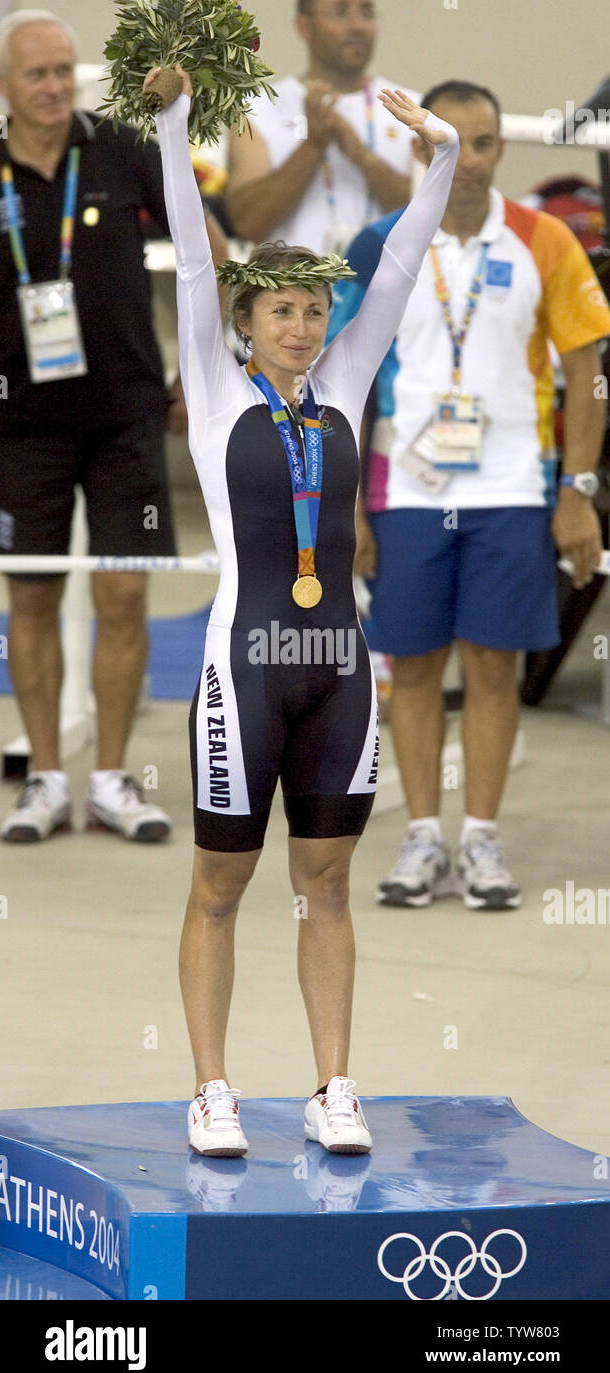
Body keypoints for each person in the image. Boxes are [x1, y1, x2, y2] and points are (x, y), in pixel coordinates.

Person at [144, 62, 458, 1155]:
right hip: (244, 668)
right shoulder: (218, 381)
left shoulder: (347, 378)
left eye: (315, 308)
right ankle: (213, 1086)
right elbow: (192, 253)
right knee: (222, 884)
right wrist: (177, 119)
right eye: (281, 309)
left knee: (327, 882)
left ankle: (333, 1086)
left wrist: (445, 156)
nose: (302, 327)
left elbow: (407, 259)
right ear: (244, 318)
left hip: (338, 668)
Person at [329, 79, 610, 911]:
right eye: (454, 141)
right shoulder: (377, 245)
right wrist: (347, 504)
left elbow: (588, 374)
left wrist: (578, 492)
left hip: (512, 492)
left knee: (493, 670)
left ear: (498, 149)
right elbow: (344, 380)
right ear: (420, 146)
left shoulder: (546, 240)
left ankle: (481, 838)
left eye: (485, 143)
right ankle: (422, 836)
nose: (472, 159)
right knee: (412, 671)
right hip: (404, 495)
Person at [0, 9, 186, 844]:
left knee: (123, 592)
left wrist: (207, 366)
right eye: (36, 74)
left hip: (125, 418)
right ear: (3, 87)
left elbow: (203, 242)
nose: (54, 86)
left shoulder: (120, 146)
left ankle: (110, 778)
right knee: (31, 598)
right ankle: (44, 777)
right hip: (17, 426)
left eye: (64, 70)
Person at [225, 0, 418, 255]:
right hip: (291, 289)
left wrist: (363, 157)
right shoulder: (256, 107)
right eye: (340, 12)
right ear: (304, 26)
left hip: (387, 289)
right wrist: (312, 146)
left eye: (367, 12)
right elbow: (248, 224)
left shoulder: (413, 108)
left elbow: (430, 222)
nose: (358, 26)